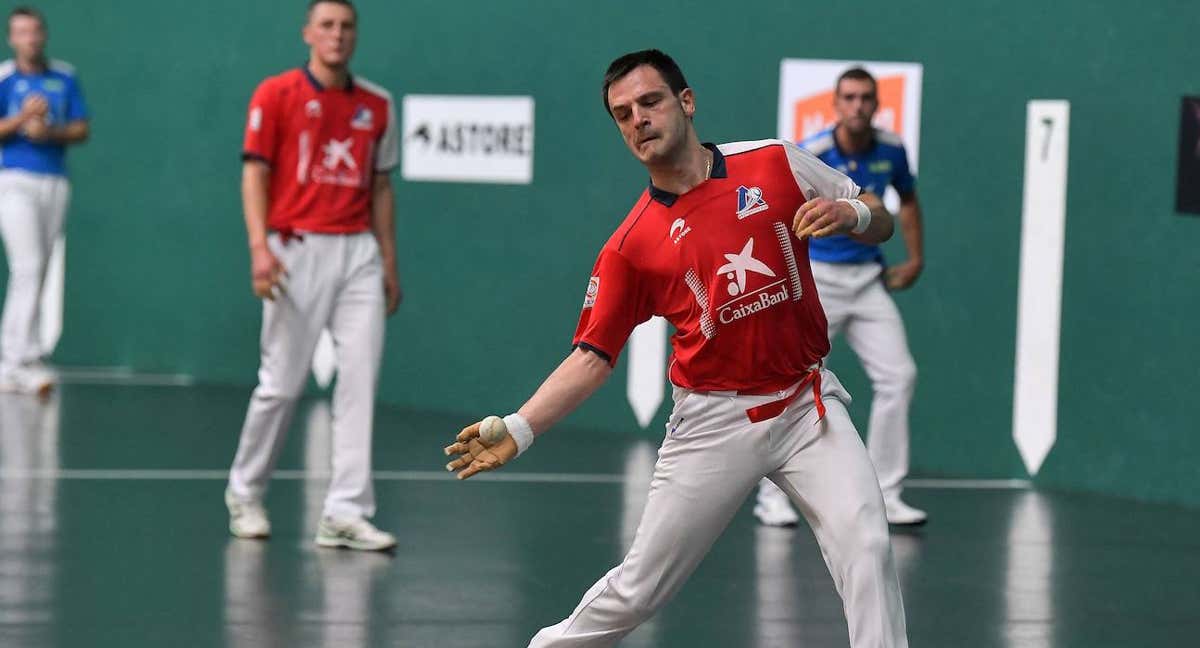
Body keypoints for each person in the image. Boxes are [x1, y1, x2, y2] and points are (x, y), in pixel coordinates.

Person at [444, 49, 909, 647]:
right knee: (640, 589)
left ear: (686, 103)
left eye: (650, 101)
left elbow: (878, 216)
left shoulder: (773, 163)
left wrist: (849, 212)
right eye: (621, 114)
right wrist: (521, 427)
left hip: (805, 403)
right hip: (714, 424)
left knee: (868, 545)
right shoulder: (631, 246)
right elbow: (592, 356)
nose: (637, 119)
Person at [224, 0, 401, 552]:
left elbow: (380, 187)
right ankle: (244, 492)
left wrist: (389, 259)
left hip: (359, 257)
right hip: (294, 250)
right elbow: (255, 174)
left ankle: (345, 512)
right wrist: (259, 247)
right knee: (281, 384)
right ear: (308, 33)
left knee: (359, 382)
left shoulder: (378, 104)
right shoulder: (275, 94)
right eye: (327, 25)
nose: (338, 35)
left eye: (347, 26)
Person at [754, 67, 927, 527]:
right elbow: (781, 217)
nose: (858, 106)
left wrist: (915, 258)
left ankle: (887, 494)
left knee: (899, 376)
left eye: (866, 98)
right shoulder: (815, 154)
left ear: (876, 104)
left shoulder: (892, 149)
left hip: (867, 282)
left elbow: (906, 201)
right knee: (789, 380)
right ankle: (771, 498)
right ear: (835, 105)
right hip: (820, 281)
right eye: (848, 98)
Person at [0, 5, 88, 396]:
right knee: (29, 265)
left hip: (54, 181)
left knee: (42, 267)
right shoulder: (3, 78)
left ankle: (24, 358)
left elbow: (81, 128)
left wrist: (48, 132)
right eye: (21, 32)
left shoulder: (65, 76)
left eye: (35, 31)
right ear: (11, 39)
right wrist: (21, 121)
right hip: (12, 180)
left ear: (44, 35)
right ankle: (14, 360)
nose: (29, 38)